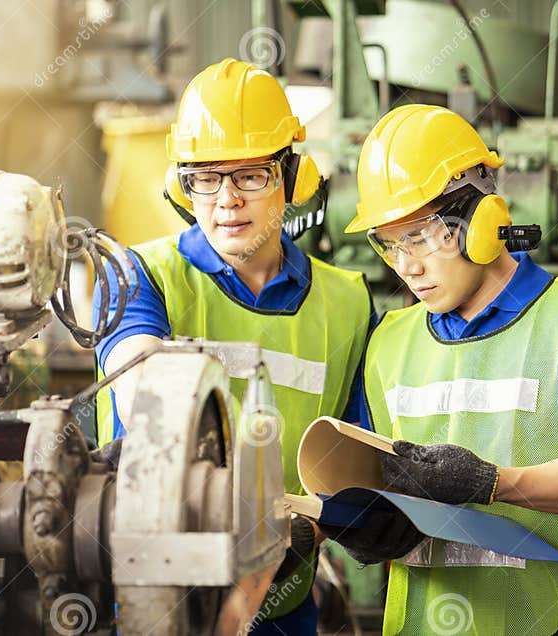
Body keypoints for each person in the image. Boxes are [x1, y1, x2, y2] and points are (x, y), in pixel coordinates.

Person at [324, 104, 558, 635]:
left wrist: (494, 483)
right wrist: (358, 524)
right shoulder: (388, 342)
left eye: (419, 236)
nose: (407, 266)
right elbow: (364, 479)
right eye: (389, 245)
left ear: (481, 220)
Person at [92, 58, 374, 635]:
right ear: (181, 183)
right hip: (156, 599)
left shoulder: (347, 302)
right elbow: (140, 394)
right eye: (205, 177)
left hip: (284, 600)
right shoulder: (141, 276)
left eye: (250, 176)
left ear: (291, 178)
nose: (226, 201)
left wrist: (300, 528)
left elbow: (349, 467)